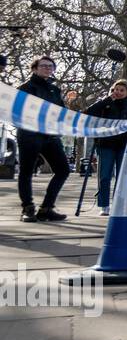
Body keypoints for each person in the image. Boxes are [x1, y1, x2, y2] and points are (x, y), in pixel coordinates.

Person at [15, 56, 72, 222]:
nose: (48, 68)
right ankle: (28, 208)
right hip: (30, 134)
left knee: (63, 170)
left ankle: (47, 208)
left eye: (51, 66)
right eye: (44, 66)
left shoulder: (55, 90)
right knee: (26, 172)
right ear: (34, 69)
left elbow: (61, 111)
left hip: (50, 135)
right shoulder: (25, 88)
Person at [84, 79, 127, 215]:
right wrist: (106, 100)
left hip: (125, 147)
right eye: (115, 89)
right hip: (105, 145)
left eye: (121, 90)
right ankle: (104, 205)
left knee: (122, 177)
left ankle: (118, 204)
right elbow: (88, 113)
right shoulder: (105, 105)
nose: (118, 92)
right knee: (104, 176)